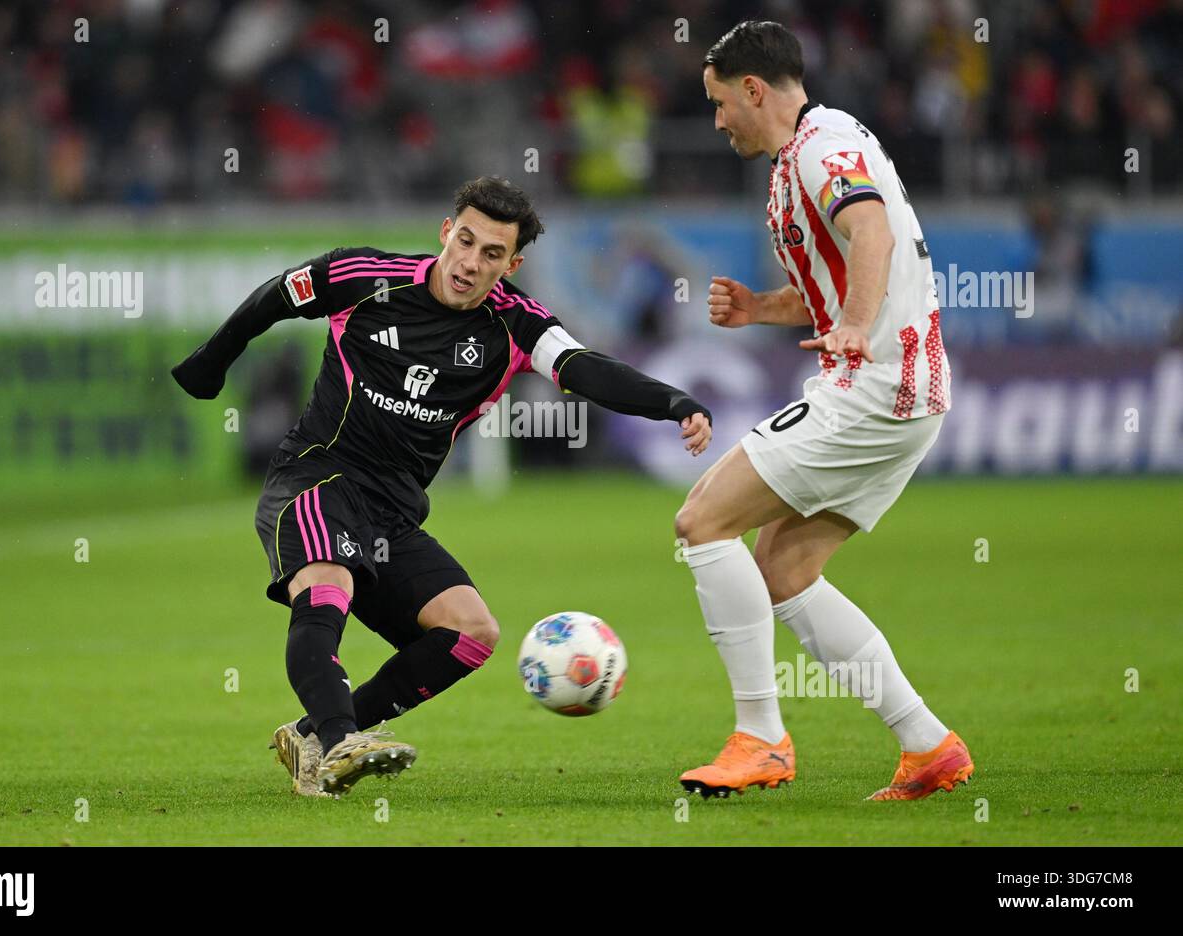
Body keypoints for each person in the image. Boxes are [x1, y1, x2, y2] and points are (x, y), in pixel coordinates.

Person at [172, 176, 713, 797]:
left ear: (512, 264)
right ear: (445, 233)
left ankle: (313, 739)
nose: (470, 263)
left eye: (491, 254)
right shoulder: (365, 276)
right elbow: (277, 296)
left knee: (472, 632)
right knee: (327, 587)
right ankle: (342, 738)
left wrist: (672, 401)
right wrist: (214, 359)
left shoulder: (516, 324)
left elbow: (584, 368)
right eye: (465, 241)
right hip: (318, 477)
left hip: (393, 512)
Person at [675, 21, 973, 801]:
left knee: (703, 522)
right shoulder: (797, 160)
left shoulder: (821, 141)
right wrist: (758, 309)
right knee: (786, 567)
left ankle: (761, 738)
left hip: (874, 387)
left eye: (718, 102)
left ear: (752, 90)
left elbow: (868, 229)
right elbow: (834, 281)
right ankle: (926, 744)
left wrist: (852, 323)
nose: (716, 120)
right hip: (907, 389)